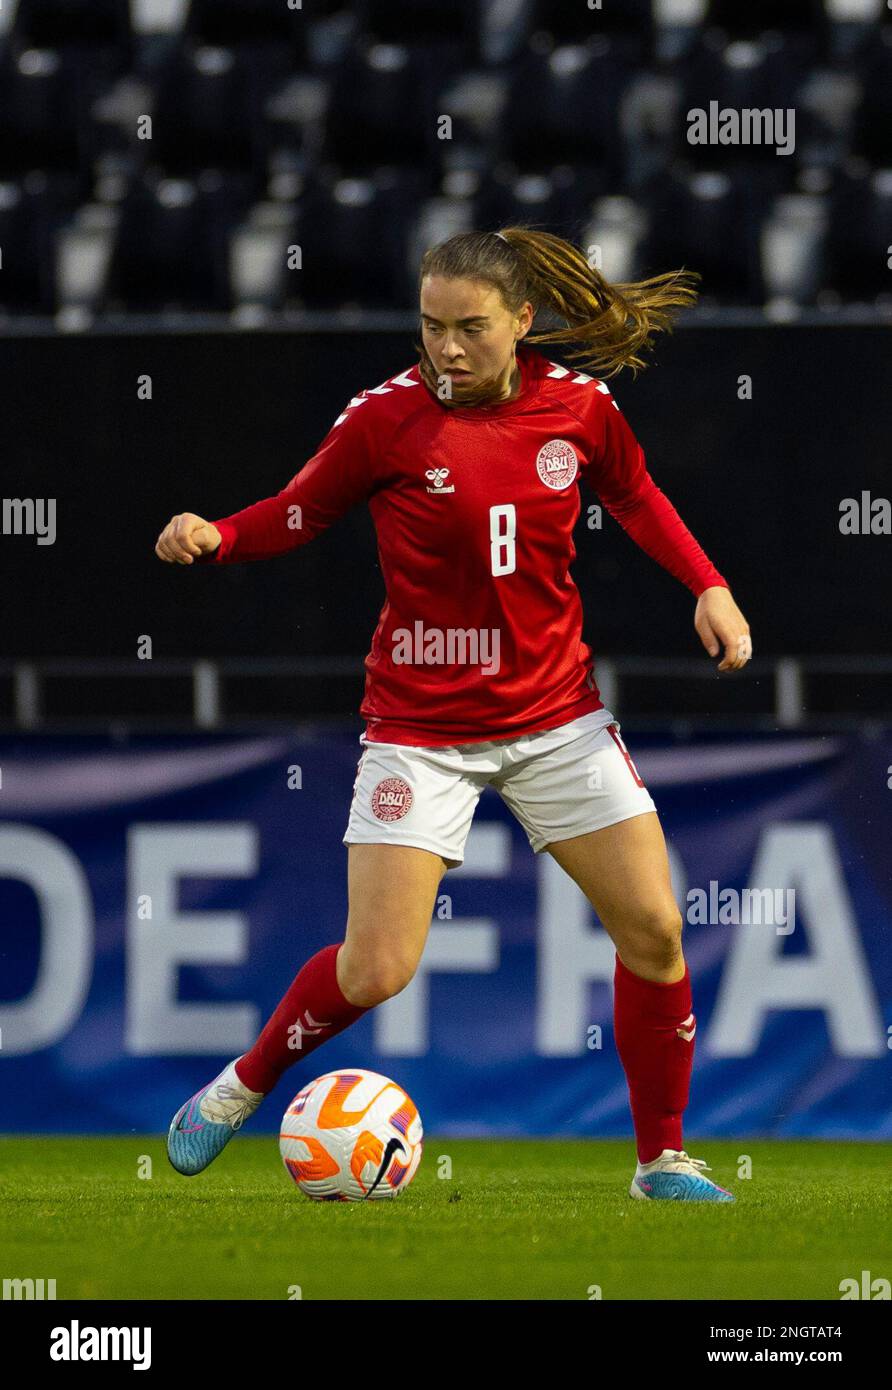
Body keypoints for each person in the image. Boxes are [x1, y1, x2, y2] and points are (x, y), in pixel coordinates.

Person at [155, 228, 751, 1201]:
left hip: (556, 714)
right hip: (419, 728)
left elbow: (636, 497)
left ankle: (661, 1161)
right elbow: (298, 511)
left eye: (469, 327)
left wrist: (707, 585)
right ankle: (236, 1088)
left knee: (653, 928)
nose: (447, 349)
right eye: (431, 326)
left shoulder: (580, 409)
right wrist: (217, 535)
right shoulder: (383, 420)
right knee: (377, 968)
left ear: (521, 321)